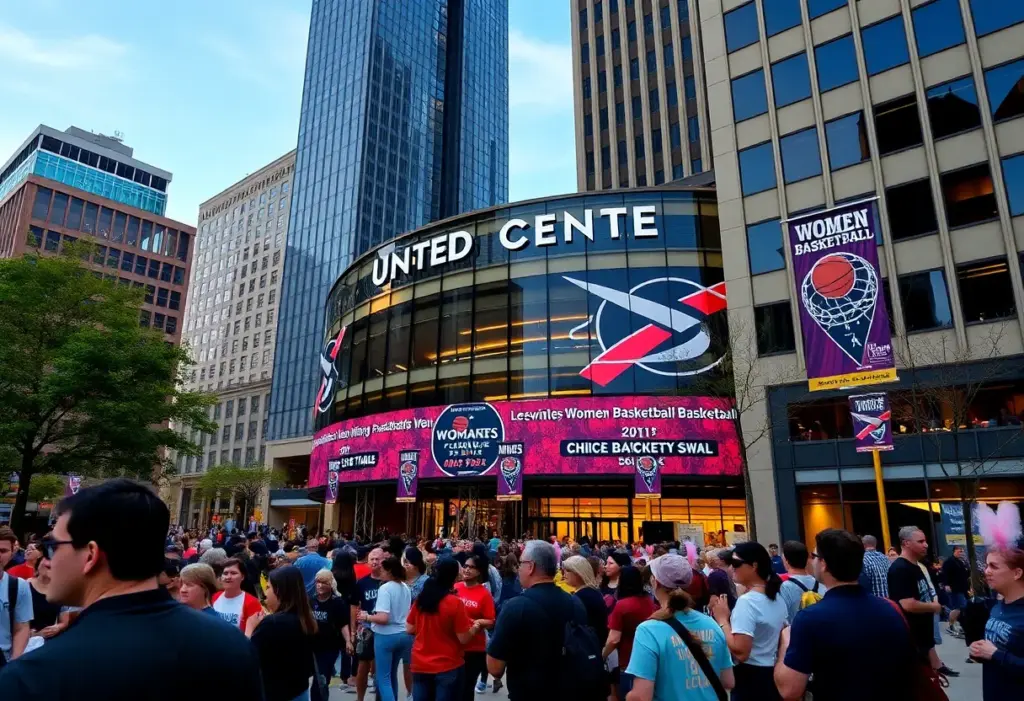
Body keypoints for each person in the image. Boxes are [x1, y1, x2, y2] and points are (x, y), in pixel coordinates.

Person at [0, 479, 263, 700]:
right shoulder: (231, 646)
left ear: (91, 554)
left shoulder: (31, 678)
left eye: (54, 547)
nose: (47, 561)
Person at [774, 529, 916, 700]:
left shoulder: (809, 619)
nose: (811, 561)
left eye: (814, 556)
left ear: (824, 563)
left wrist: (785, 642)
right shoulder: (891, 609)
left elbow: (789, 690)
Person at [486, 540, 596, 701]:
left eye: (521, 563)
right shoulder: (575, 602)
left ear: (530, 566)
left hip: (529, 693)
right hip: (571, 690)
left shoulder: (515, 607)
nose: (518, 568)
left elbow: (495, 668)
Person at [624, 553, 734, 701]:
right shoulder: (711, 623)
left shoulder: (648, 631)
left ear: (654, 582)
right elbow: (728, 681)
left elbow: (641, 697)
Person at [709, 542, 786, 701]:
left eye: (736, 563)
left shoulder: (748, 601)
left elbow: (741, 652)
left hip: (751, 676)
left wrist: (723, 621)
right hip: (771, 671)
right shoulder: (777, 597)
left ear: (754, 566)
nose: (732, 567)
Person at [407, 558, 479, 701]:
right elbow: (463, 638)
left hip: (420, 663)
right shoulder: (454, 603)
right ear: (453, 576)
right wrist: (475, 628)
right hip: (447, 664)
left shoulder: (422, 599)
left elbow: (409, 628)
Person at [247, 565, 318, 701]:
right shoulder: (305, 619)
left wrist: (250, 628)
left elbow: (249, 656)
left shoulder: (272, 623)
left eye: (268, 587)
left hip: (276, 692)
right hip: (299, 690)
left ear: (278, 591)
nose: (265, 593)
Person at [969, 531, 1024, 698]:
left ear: (1017, 573)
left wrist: (995, 654)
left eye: (994, 566)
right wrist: (980, 651)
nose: (986, 571)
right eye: (987, 565)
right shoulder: (998, 606)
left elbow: (997, 654)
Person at [888, 527, 947, 675]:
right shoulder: (900, 569)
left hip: (922, 642)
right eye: (920, 541)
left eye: (925, 541)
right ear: (906, 543)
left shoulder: (916, 566)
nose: (926, 545)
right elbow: (907, 604)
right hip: (911, 643)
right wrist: (934, 607)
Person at [359, 555, 412, 701]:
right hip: (403, 633)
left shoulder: (385, 588)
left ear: (389, 571)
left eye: (382, 569)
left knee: (382, 679)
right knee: (391, 675)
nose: (379, 571)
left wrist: (366, 617)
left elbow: (383, 618)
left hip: (386, 636)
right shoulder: (405, 587)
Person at [605, 566, 658, 699]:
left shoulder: (622, 605)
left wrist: (603, 655)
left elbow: (614, 639)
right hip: (651, 662)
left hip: (628, 662)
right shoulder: (651, 602)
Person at [455, 552, 497, 699]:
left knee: (466, 688)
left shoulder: (484, 594)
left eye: (471, 567)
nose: (467, 569)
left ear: (479, 571)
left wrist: (476, 622)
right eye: (465, 566)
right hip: (454, 646)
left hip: (474, 649)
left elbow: (491, 621)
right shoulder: (455, 587)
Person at [310, 569, 351, 701]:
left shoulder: (337, 602)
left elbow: (343, 624)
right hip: (313, 647)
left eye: (324, 582)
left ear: (330, 584)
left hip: (330, 647)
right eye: (318, 582)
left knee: (321, 681)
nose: (320, 585)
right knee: (318, 679)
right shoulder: (311, 601)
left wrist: (348, 641)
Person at [350, 546, 384, 701]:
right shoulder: (362, 583)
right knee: (362, 667)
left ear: (383, 561)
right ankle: (360, 698)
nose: (375, 562)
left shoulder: (388, 583)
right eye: (372, 559)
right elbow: (353, 606)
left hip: (384, 629)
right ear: (368, 562)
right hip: (366, 630)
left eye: (378, 559)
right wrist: (353, 630)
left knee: (380, 669)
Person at [0, 527, 33, 666]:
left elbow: (21, 628)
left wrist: (13, 664)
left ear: (12, 552)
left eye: (3, 551)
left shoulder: (19, 586)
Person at [563, 555, 608, 649]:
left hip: (586, 648)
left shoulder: (582, 597)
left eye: (568, 570)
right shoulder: (593, 592)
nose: (564, 573)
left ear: (578, 573)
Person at [778, 540, 825, 624]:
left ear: (786, 561)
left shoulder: (785, 587)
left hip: (797, 629)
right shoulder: (821, 583)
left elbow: (783, 619)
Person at [212, 557, 263, 632]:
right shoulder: (214, 597)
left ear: (242, 577)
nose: (228, 577)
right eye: (225, 573)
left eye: (233, 573)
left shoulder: (252, 602)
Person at [942, 545, 971, 635]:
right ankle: (951, 625)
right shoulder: (949, 561)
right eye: (959, 551)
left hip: (962, 588)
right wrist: (946, 584)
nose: (961, 553)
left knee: (963, 607)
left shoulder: (961, 562)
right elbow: (945, 573)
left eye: (962, 551)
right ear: (954, 551)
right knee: (960, 607)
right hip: (955, 588)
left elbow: (965, 574)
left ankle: (960, 625)